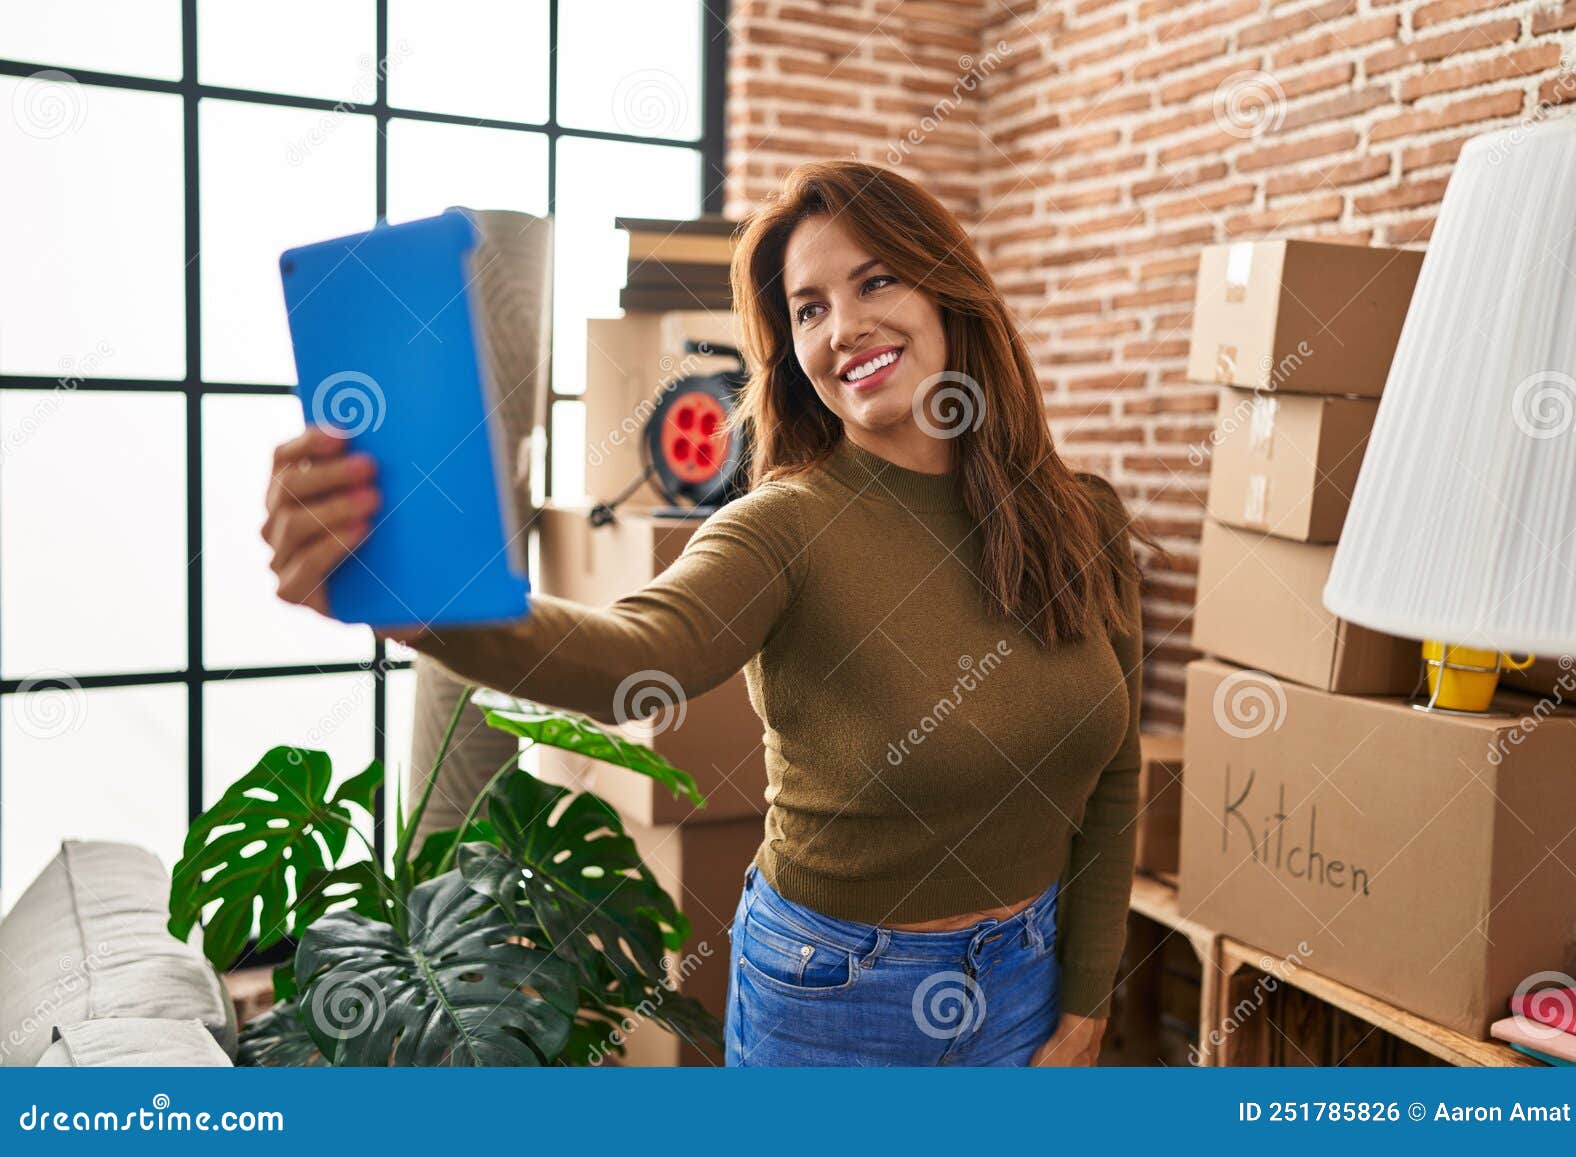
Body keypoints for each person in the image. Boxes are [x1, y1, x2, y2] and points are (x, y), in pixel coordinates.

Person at [259, 160, 1159, 1067]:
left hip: (1027, 980)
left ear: (950, 291)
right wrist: (429, 609)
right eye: (808, 309)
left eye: (876, 280)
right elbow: (634, 655)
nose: (844, 328)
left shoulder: (1081, 515)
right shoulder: (786, 527)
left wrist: (1084, 1005)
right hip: (839, 999)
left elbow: (1113, 770)